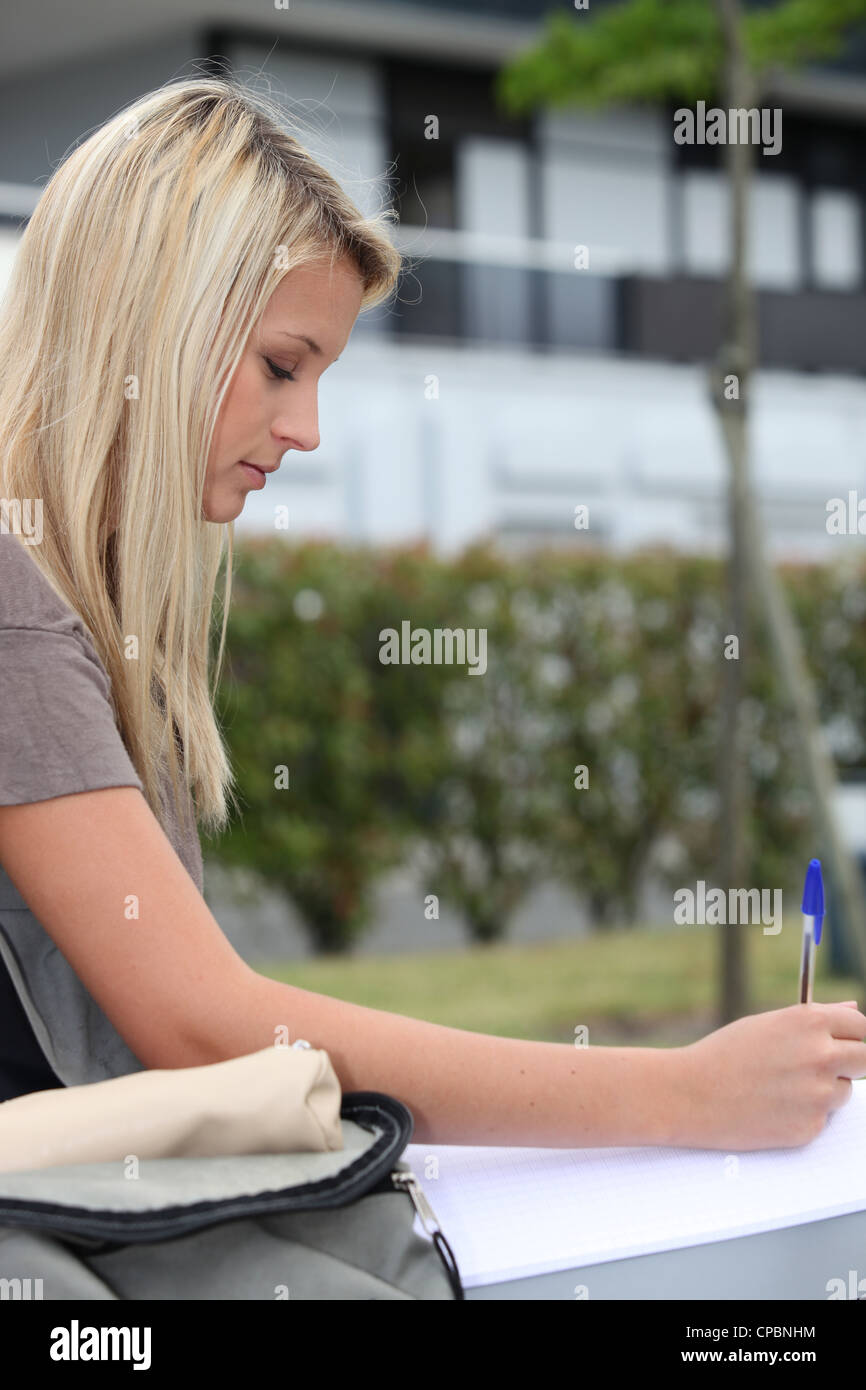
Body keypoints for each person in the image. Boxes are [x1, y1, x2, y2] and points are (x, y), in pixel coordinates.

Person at [0, 76, 863, 1151]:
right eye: (280, 367)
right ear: (146, 326)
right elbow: (201, 1022)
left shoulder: (68, 609)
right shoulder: (15, 609)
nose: (304, 428)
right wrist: (679, 1096)